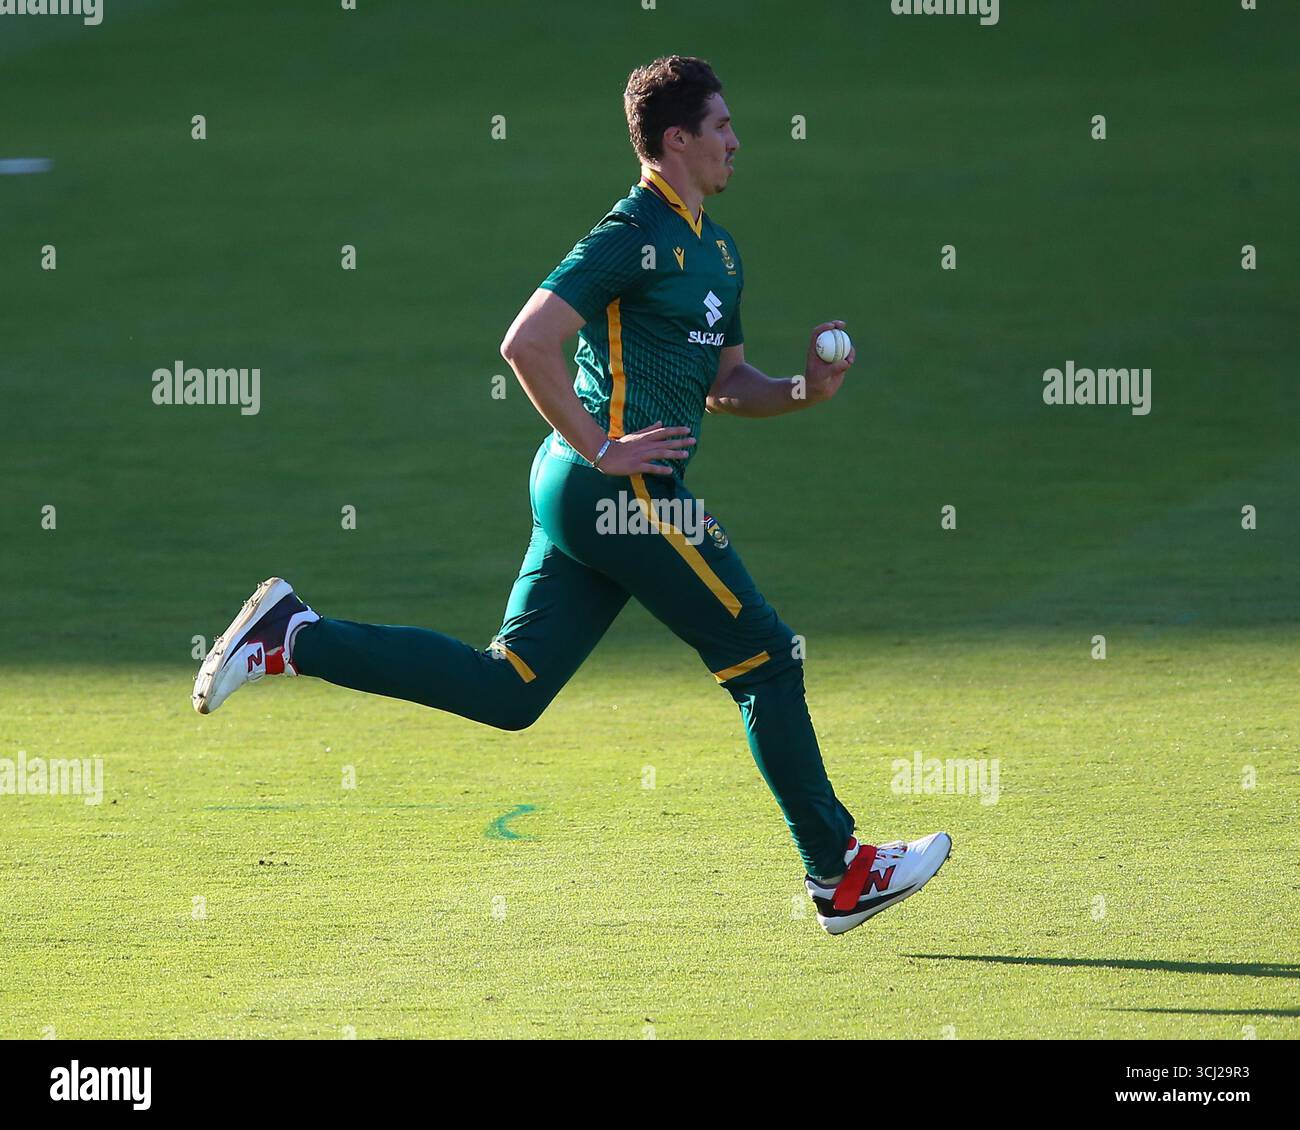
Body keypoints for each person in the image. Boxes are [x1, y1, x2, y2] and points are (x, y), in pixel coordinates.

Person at [192, 56, 950, 935]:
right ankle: (839, 872)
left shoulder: (719, 248)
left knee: (510, 688)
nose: (738, 141)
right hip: (616, 491)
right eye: (722, 127)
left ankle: (295, 636)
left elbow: (727, 380)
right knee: (766, 659)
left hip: (595, 491)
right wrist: (604, 445)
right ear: (676, 139)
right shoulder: (630, 234)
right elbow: (527, 342)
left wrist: (802, 393)